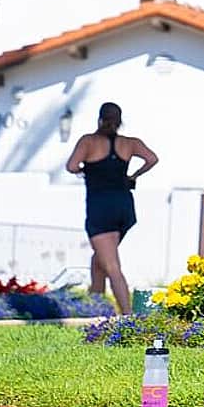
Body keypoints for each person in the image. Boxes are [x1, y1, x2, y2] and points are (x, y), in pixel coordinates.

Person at [65, 102, 158, 314]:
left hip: (101, 208)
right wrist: (133, 176)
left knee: (112, 266)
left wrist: (84, 170)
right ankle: (95, 308)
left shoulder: (89, 141)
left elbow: (71, 166)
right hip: (124, 207)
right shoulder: (129, 143)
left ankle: (127, 318)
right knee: (99, 259)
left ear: (100, 118)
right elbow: (152, 158)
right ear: (119, 120)